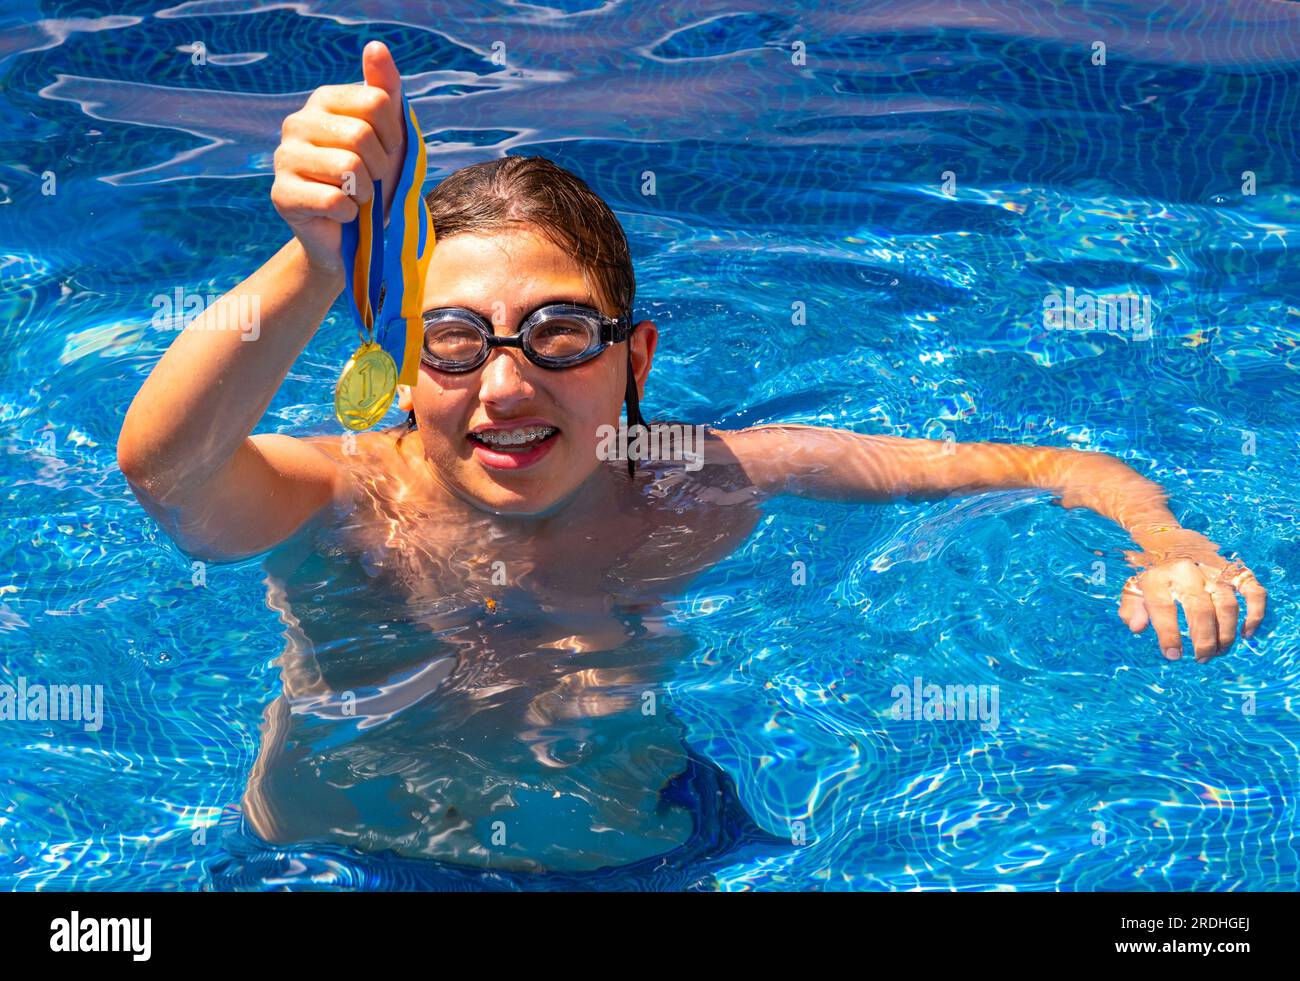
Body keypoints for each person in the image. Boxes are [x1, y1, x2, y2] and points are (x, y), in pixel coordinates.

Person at [116, 42, 1266, 873]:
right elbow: (165, 467)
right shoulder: (339, 497)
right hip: (327, 867)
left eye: (560, 332)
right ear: (404, 369)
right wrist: (314, 264)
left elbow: (1045, 466)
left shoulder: (700, 476)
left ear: (635, 360)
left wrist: (1168, 547)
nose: (507, 383)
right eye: (454, 341)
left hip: (639, 859)